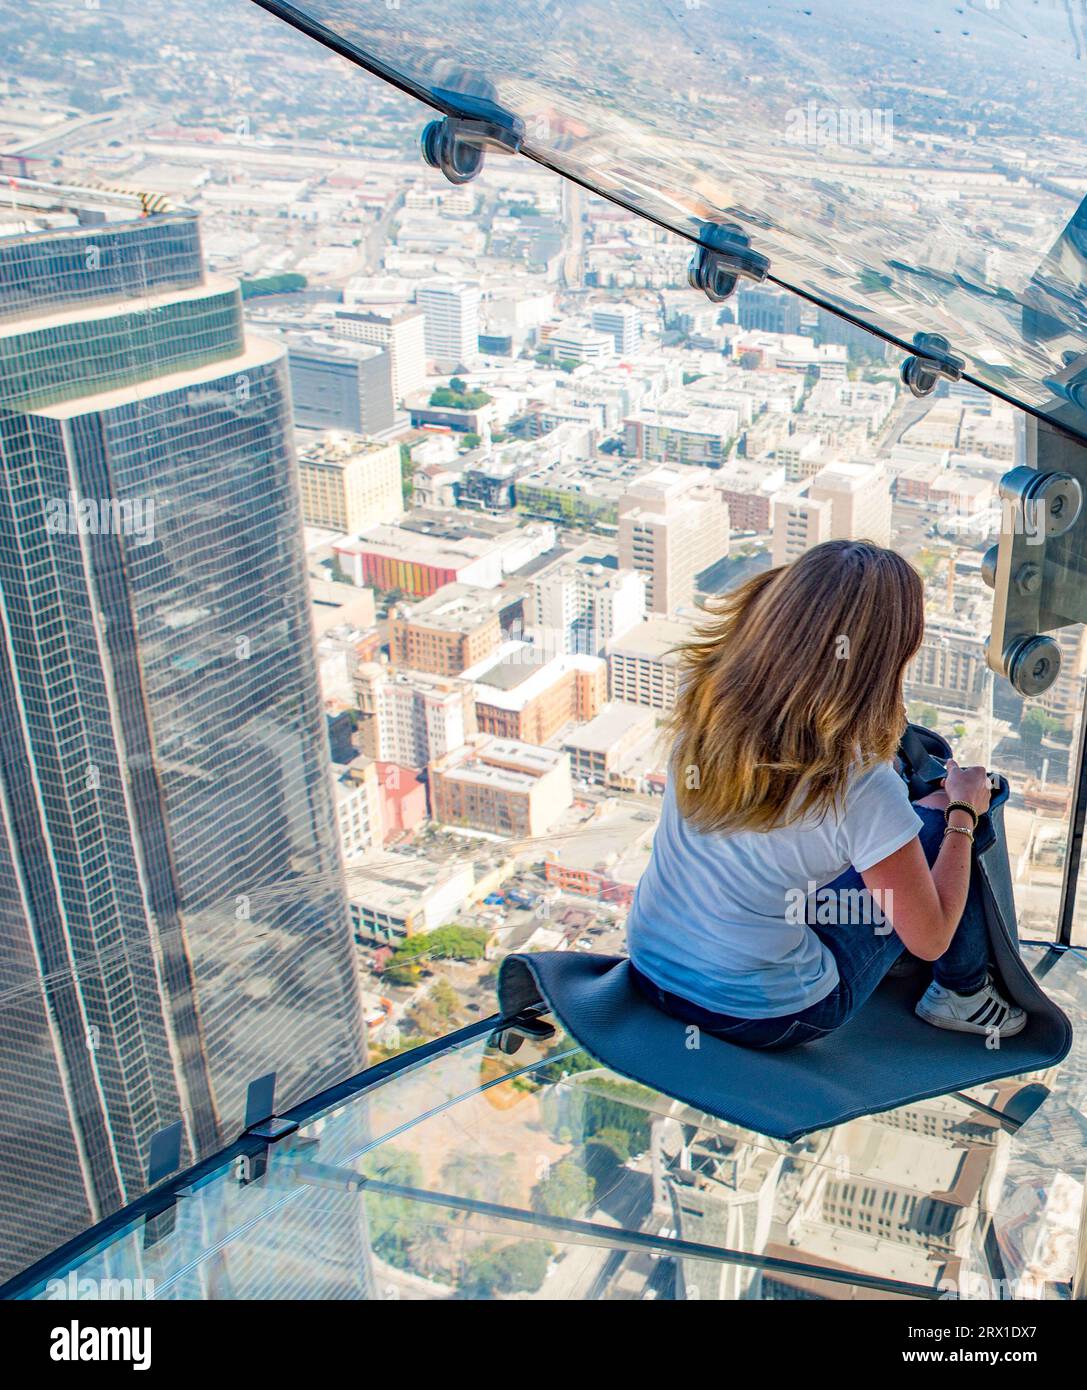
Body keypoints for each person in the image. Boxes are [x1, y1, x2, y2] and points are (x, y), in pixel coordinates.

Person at [626, 539, 1025, 1051]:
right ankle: (962, 994)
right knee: (954, 815)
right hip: (762, 1014)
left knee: (915, 822)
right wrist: (964, 810)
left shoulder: (706, 700)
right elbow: (932, 936)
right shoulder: (859, 783)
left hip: (650, 969)